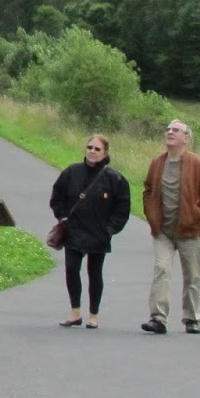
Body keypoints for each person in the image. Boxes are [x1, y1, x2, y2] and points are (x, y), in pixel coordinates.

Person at [141, 119, 200, 335]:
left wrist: (198, 214)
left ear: (186, 138)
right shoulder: (157, 163)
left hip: (189, 230)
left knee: (192, 276)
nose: (170, 132)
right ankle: (158, 318)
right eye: (168, 129)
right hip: (163, 230)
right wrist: (151, 214)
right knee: (161, 270)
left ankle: (191, 317)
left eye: (176, 130)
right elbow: (147, 189)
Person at [48, 133, 130, 330]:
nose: (92, 151)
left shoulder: (114, 178)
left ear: (105, 153)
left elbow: (123, 207)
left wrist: (110, 229)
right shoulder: (72, 172)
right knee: (71, 270)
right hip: (74, 230)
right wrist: (62, 217)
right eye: (89, 147)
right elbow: (56, 196)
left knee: (95, 273)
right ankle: (75, 312)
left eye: (97, 149)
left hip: (98, 233)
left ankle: (94, 315)